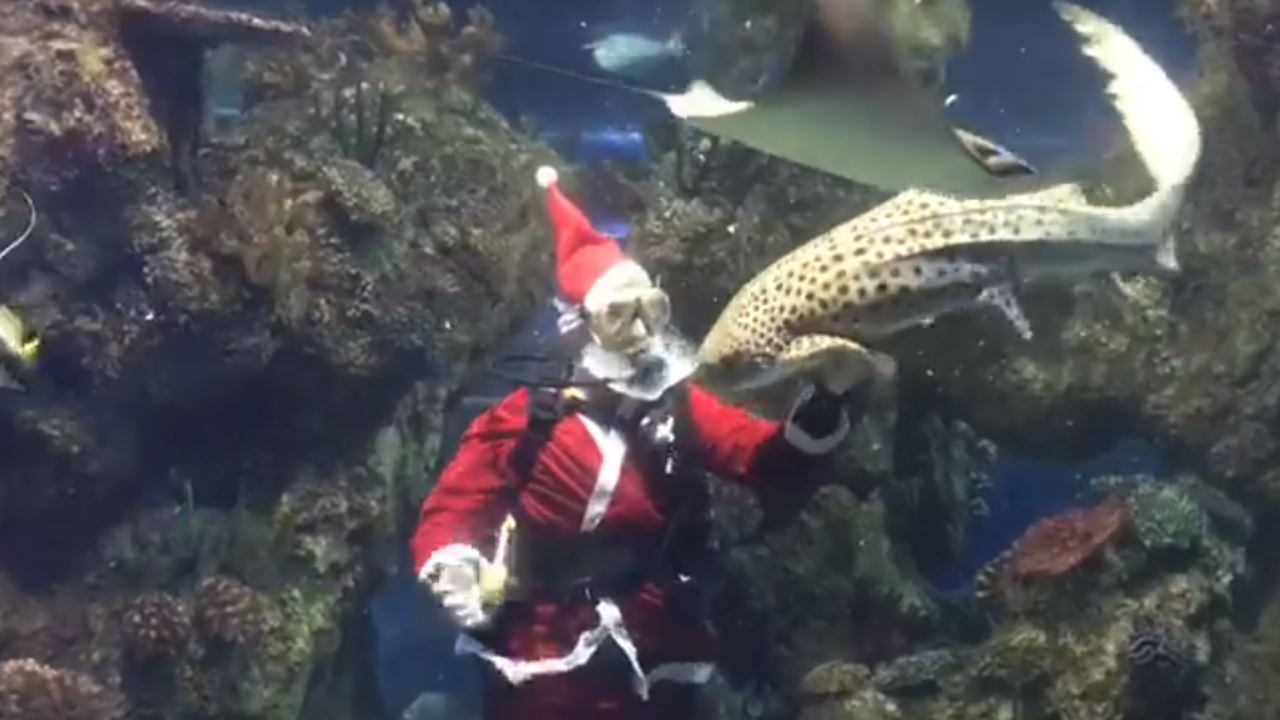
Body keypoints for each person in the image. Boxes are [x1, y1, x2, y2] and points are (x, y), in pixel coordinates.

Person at [409, 164, 870, 720]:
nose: (644, 333)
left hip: (659, 644)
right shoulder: (528, 418)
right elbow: (453, 509)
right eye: (620, 316)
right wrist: (453, 569)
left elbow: (766, 461)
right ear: (578, 328)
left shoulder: (681, 407)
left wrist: (828, 395)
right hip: (542, 650)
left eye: (653, 309)